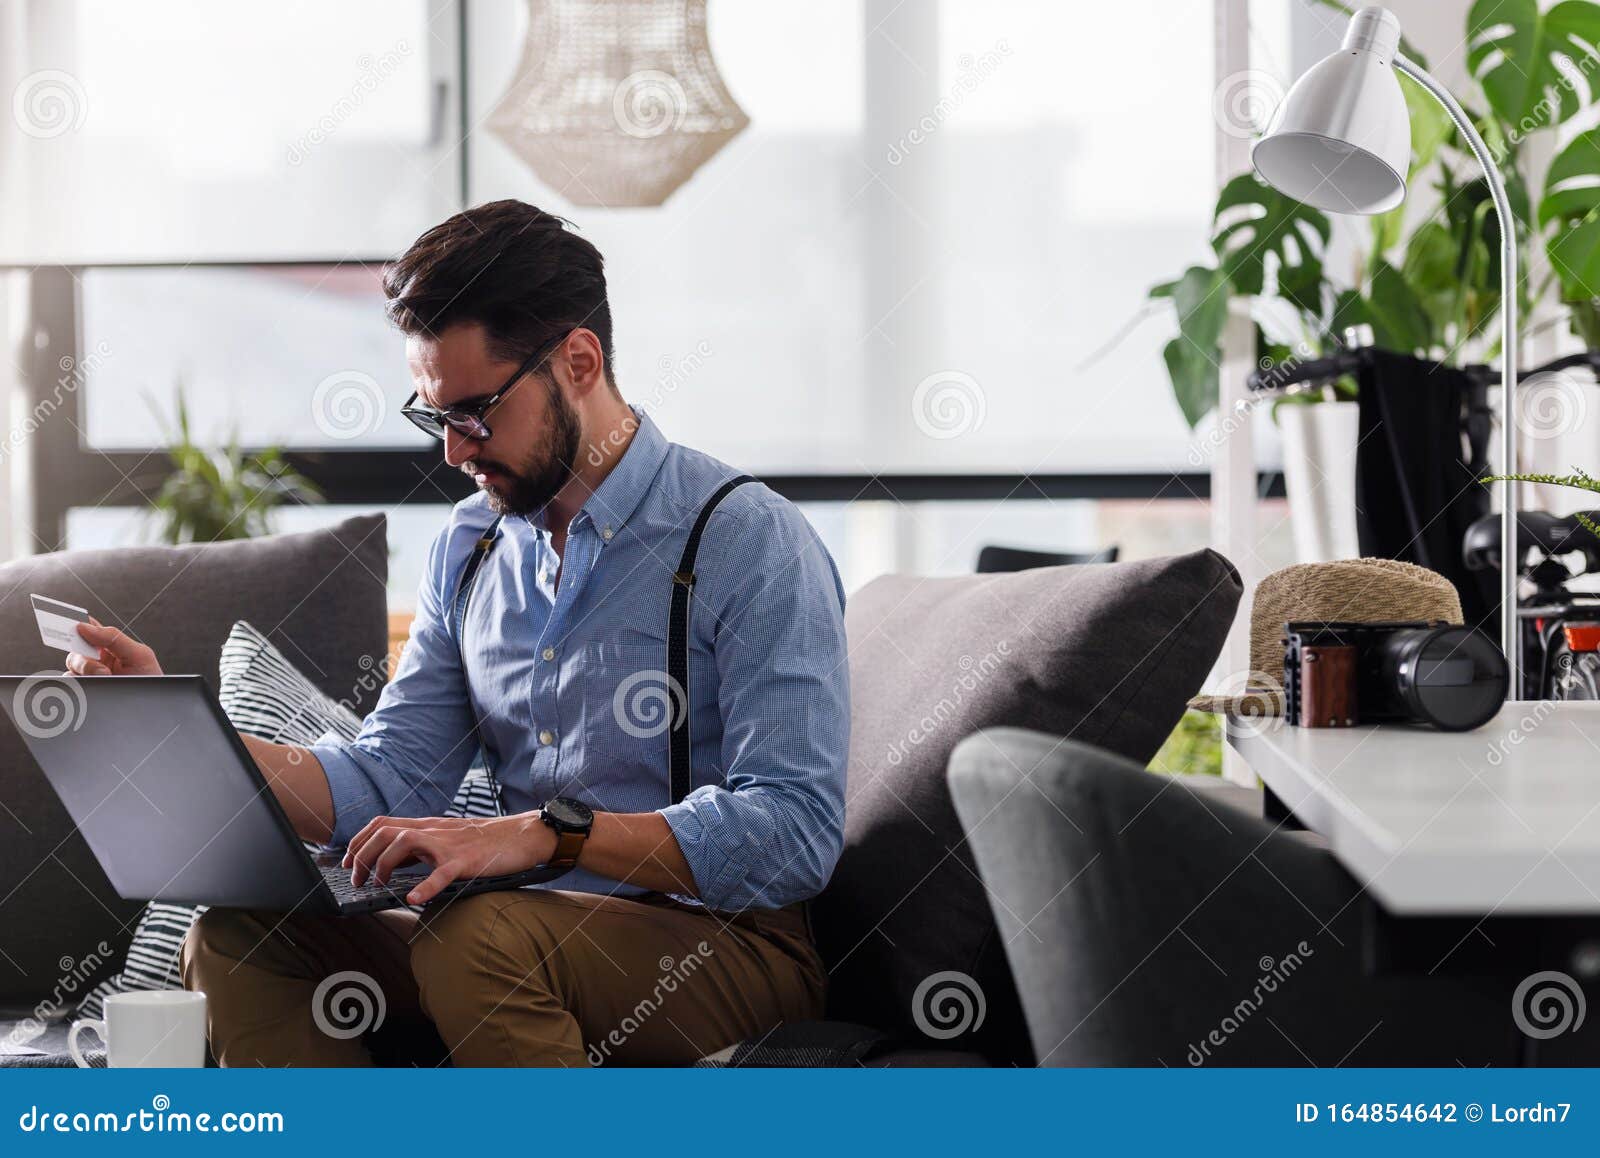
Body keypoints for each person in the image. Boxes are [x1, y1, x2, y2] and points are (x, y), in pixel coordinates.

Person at [70, 200, 851, 1067]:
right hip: (511, 932)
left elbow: (796, 830)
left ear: (579, 363)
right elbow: (389, 776)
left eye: (474, 413)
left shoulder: (745, 540)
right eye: (434, 416)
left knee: (475, 934)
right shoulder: (471, 548)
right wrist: (187, 737)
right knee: (237, 934)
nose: (452, 451)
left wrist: (550, 833)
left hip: (725, 948)